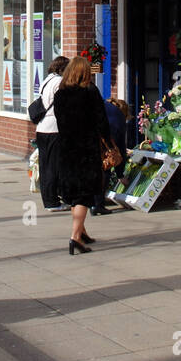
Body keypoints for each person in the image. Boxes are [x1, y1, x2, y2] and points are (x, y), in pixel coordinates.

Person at [51, 56, 118, 254]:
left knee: (73, 191)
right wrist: (108, 141)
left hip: (66, 147)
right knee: (85, 193)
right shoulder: (89, 92)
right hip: (86, 149)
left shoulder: (60, 95)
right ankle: (75, 238)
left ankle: (82, 231)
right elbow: (101, 120)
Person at [33, 56, 70, 212]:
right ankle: (53, 202)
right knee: (54, 166)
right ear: (62, 69)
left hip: (42, 128)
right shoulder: (59, 83)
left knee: (46, 165)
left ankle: (49, 199)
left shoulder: (46, 80)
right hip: (54, 128)